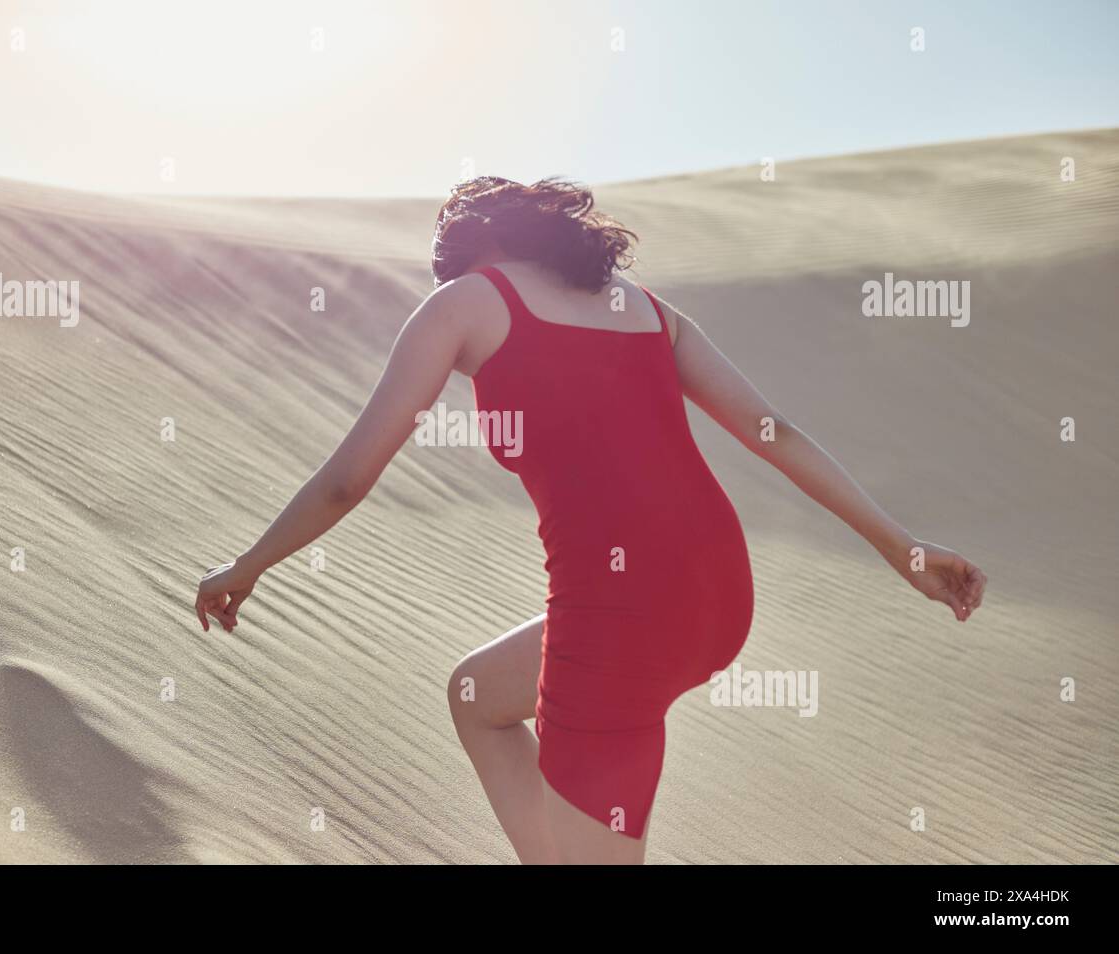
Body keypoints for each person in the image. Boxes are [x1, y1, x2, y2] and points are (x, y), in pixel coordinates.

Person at [194, 176, 987, 864]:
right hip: (718, 598)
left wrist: (248, 566)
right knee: (476, 693)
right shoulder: (646, 310)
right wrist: (904, 549)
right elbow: (775, 431)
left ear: (472, 252)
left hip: (622, 621)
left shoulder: (466, 302)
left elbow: (346, 481)